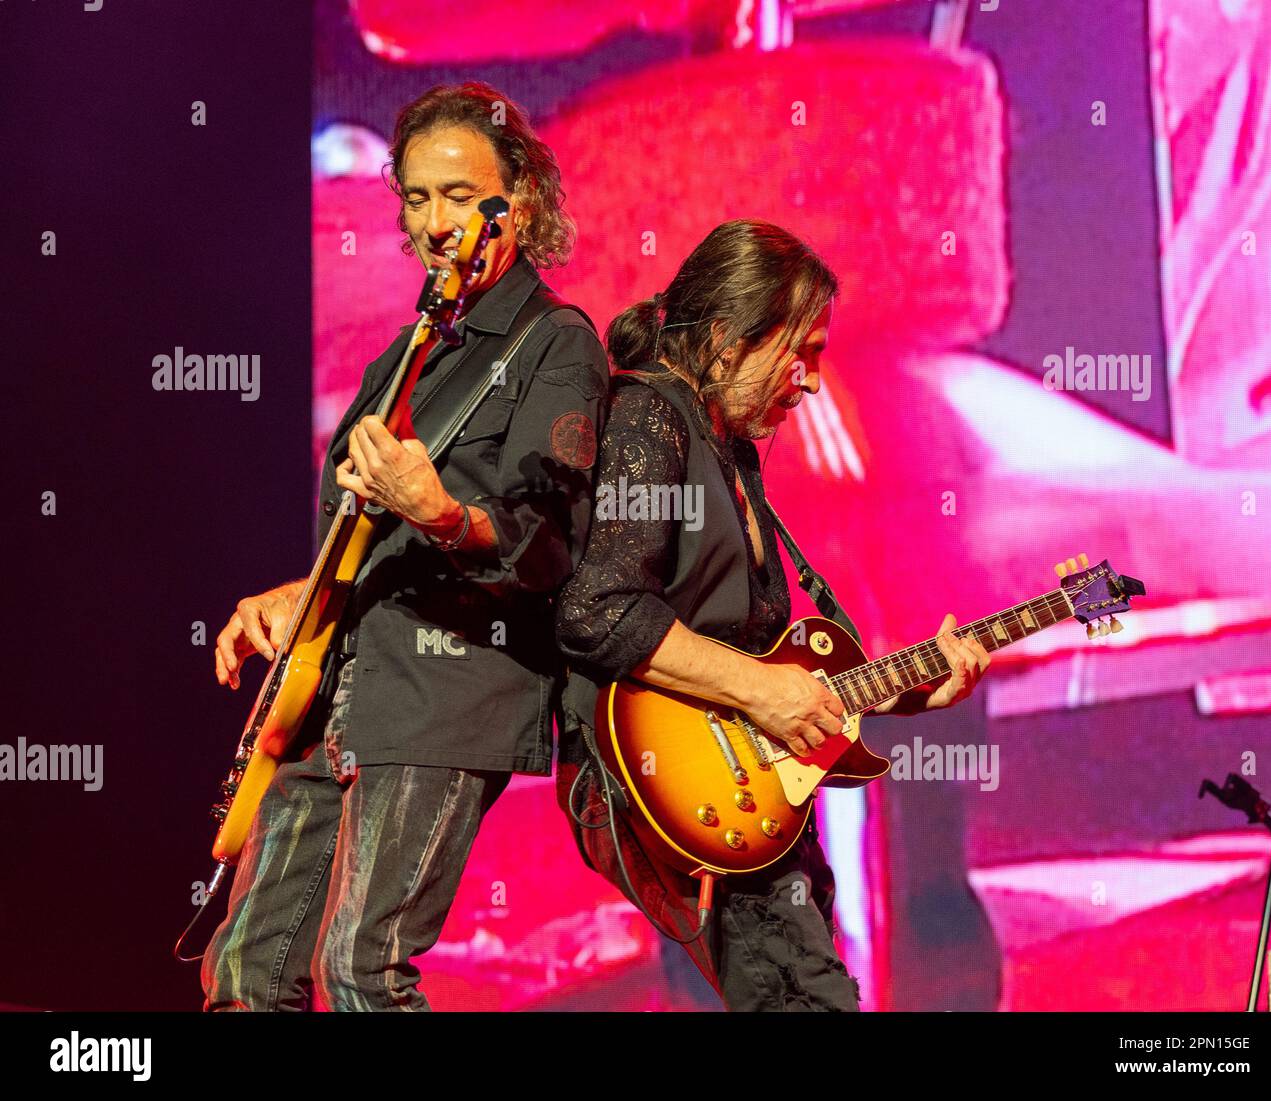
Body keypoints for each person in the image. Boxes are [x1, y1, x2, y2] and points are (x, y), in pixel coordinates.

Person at [202, 82, 608, 1010]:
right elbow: (371, 532)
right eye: (417, 198)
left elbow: (546, 546)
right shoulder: (412, 348)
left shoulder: (557, 345)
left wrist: (441, 512)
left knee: (361, 971)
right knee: (243, 971)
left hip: (443, 695)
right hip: (339, 682)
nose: (434, 222)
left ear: (523, 199)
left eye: (460, 198)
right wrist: (299, 592)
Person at [554, 219, 991, 1011]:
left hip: (755, 797)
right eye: (805, 350)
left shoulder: (734, 452)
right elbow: (595, 609)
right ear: (726, 339)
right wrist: (757, 694)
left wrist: (914, 689)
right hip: (676, 790)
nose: (815, 380)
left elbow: (777, 666)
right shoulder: (649, 418)